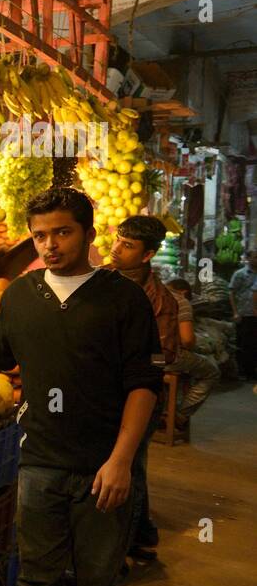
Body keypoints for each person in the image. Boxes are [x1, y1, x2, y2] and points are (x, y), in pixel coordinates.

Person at [0, 188, 161, 586]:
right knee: (36, 576)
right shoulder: (21, 295)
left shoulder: (123, 298)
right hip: (41, 461)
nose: (49, 244)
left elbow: (144, 386)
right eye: (39, 235)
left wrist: (121, 461)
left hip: (104, 464)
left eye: (62, 232)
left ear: (88, 233)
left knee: (96, 578)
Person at [108, 215, 178, 559]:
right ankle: (143, 533)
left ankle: (118, 554)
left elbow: (158, 360)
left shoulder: (162, 303)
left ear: (148, 255)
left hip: (136, 400)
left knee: (128, 469)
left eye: (128, 245)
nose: (116, 249)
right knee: (129, 466)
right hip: (102, 396)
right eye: (118, 240)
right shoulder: (99, 281)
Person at [163, 278, 220, 425]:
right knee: (212, 372)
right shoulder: (181, 301)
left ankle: (162, 411)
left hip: (137, 358)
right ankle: (180, 415)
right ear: (184, 292)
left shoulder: (147, 295)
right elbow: (187, 339)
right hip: (167, 358)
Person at [230, 250, 257, 379]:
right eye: (255, 257)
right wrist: (235, 312)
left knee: (254, 343)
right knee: (243, 343)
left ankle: (252, 371)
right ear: (248, 258)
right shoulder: (240, 274)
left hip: (255, 313)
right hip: (244, 312)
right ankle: (242, 371)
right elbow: (232, 293)